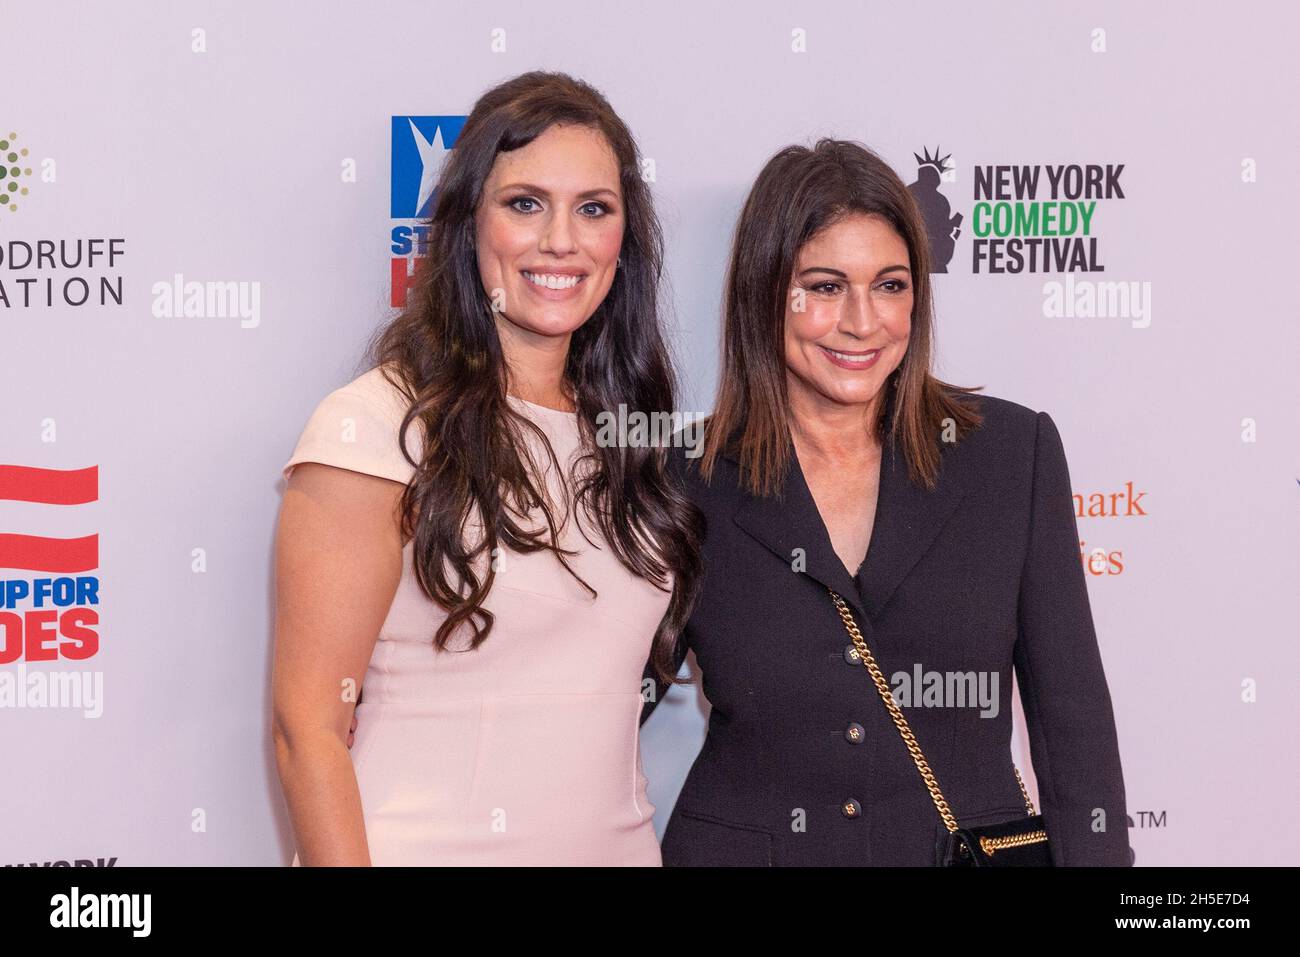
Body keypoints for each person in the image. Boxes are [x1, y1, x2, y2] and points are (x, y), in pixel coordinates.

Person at [642, 139, 1132, 866]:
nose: (863, 322)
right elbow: (607, 701)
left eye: (891, 285)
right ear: (765, 291)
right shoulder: (682, 475)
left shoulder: (1009, 454)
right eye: (826, 285)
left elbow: (1073, 722)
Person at [272, 71, 702, 866]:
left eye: (594, 209)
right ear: (468, 225)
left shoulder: (634, 440)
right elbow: (308, 732)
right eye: (525, 202)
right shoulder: (373, 428)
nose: (561, 240)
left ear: (623, 241)